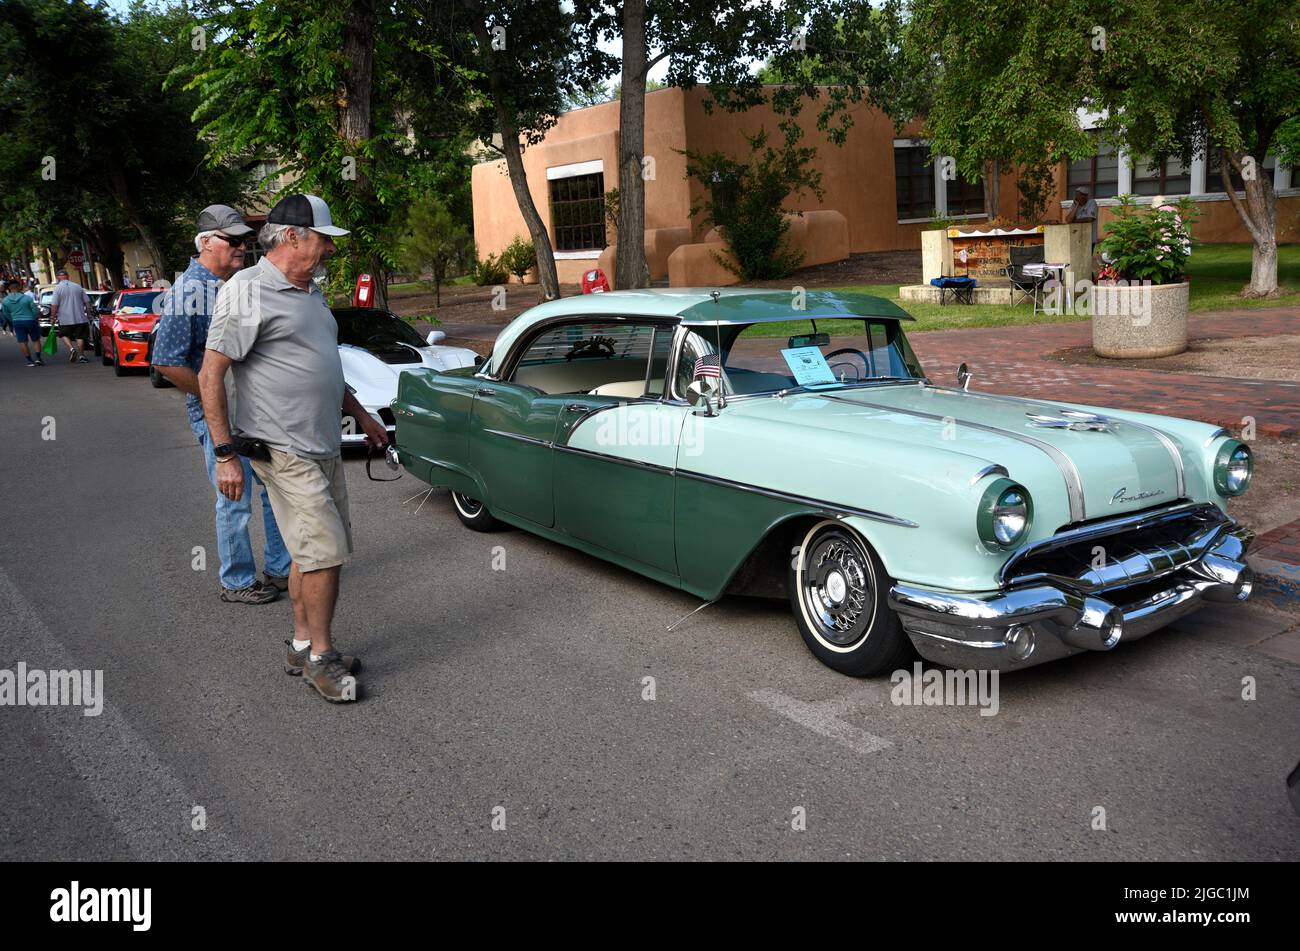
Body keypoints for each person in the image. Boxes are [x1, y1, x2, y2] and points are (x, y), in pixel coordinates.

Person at [200, 194, 385, 703]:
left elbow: (324, 364)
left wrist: (363, 415)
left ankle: (302, 645)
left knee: (313, 550)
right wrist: (223, 454)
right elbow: (210, 374)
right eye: (323, 238)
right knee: (325, 551)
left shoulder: (310, 293)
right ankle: (322, 660)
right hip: (282, 448)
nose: (329, 248)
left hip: (322, 442)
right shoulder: (248, 290)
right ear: (291, 238)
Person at [152, 205, 290, 606]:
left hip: (255, 415)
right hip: (221, 420)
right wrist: (214, 397)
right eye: (233, 240)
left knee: (272, 490)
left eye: (245, 240)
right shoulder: (186, 292)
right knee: (235, 498)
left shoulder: (235, 284)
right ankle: (237, 581)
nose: (242, 246)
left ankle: (280, 569)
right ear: (206, 242)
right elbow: (166, 361)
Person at [49, 268, 92, 362]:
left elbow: (54, 305)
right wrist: (88, 314)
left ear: (58, 278)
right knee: (80, 337)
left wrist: (52, 317)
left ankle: (71, 349)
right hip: (80, 317)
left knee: (64, 334)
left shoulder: (57, 289)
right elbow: (87, 302)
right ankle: (82, 356)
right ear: (68, 277)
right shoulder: (78, 286)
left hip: (65, 319)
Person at [1, 279, 44, 364]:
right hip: (30, 320)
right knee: (36, 340)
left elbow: (5, 313)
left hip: (17, 322)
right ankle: (38, 358)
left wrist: (12, 319)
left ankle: (29, 360)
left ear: (9, 288)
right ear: (19, 287)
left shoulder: (5, 300)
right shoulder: (27, 298)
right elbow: (35, 310)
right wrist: (35, 318)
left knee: (22, 342)